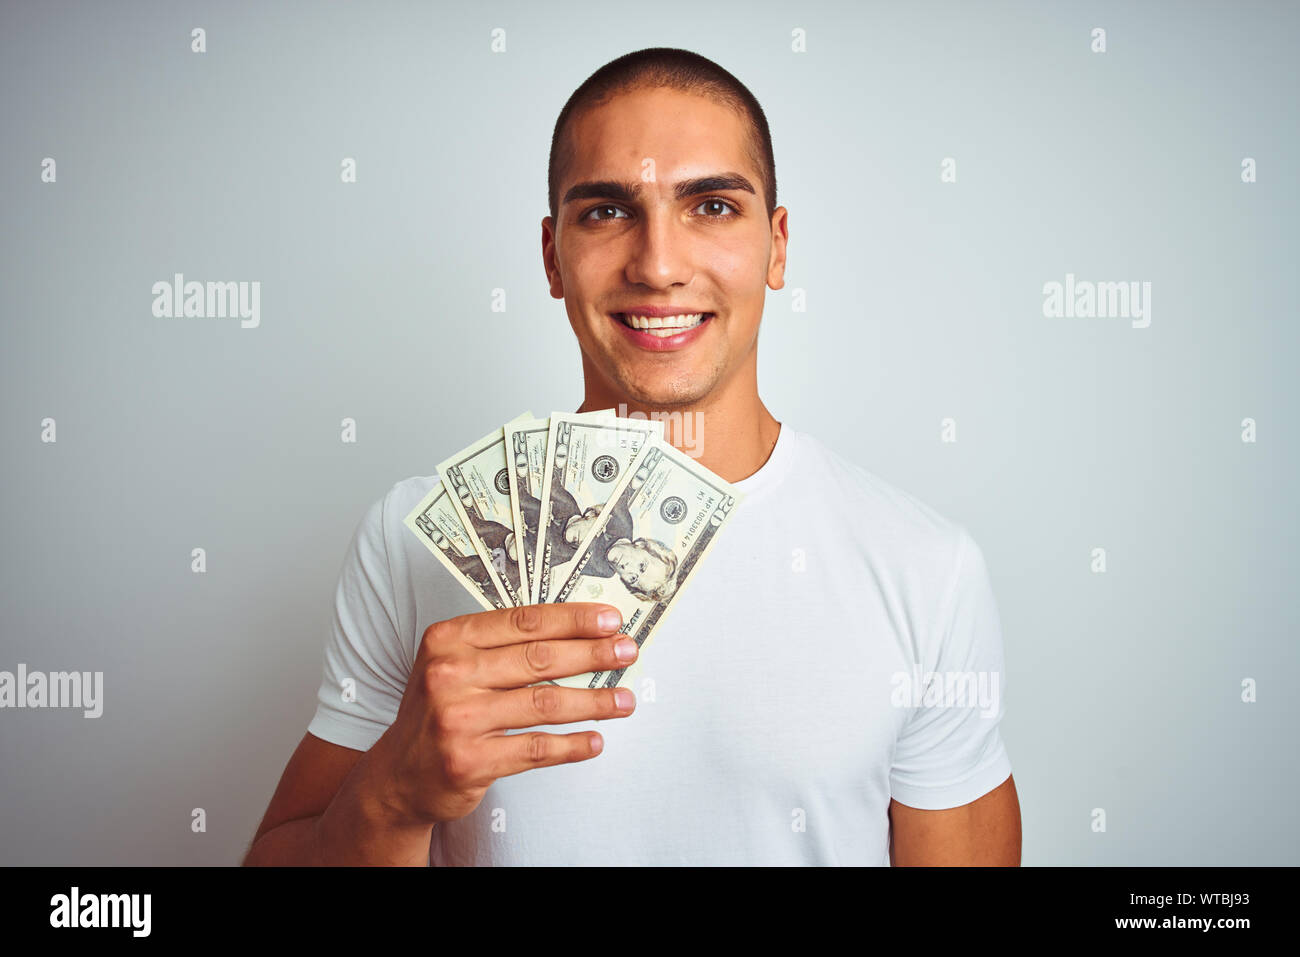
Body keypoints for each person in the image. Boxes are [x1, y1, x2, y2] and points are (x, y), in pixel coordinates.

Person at [243, 47, 1021, 866]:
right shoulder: (409, 540)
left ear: (777, 245)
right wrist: (393, 798)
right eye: (607, 212)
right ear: (552, 256)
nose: (657, 265)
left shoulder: (926, 569)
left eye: (713, 206)